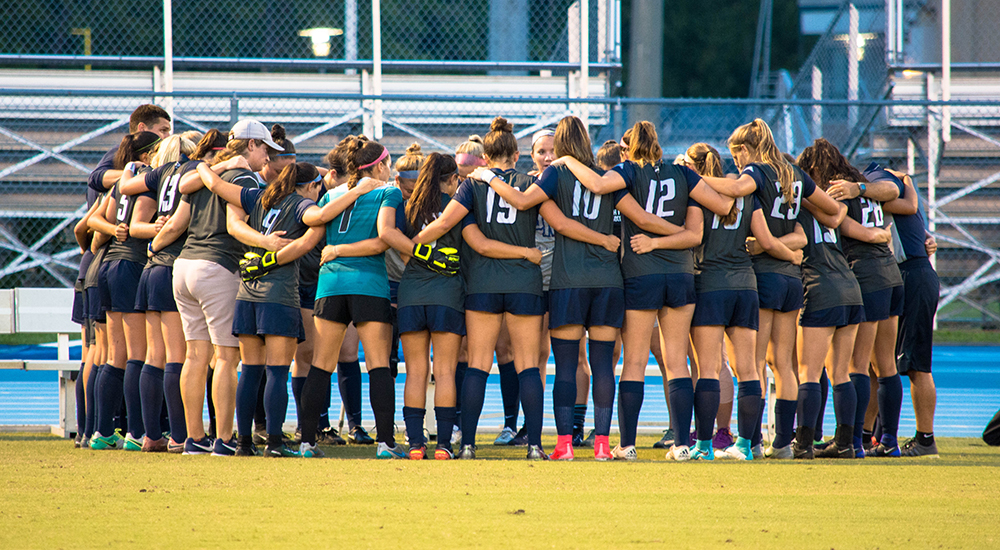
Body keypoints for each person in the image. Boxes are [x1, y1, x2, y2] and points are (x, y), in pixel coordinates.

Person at [554, 126, 733, 462]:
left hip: (641, 273)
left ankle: (628, 444)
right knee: (677, 360)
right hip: (681, 274)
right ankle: (682, 444)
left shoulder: (627, 171)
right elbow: (723, 206)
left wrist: (565, 159)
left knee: (634, 361)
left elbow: (596, 183)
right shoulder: (682, 173)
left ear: (628, 148)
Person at [195, 160, 364, 457]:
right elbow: (321, 215)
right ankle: (274, 443)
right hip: (279, 295)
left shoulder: (259, 196)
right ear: (310, 186)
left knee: (249, 370)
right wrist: (359, 190)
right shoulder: (300, 205)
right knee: (276, 372)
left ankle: (244, 444)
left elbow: (215, 185)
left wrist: (203, 166)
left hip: (247, 295)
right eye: (318, 188)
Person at [415, 117, 548, 460]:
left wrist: (409, 243)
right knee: (528, 365)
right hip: (524, 281)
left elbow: (445, 223)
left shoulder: (472, 185)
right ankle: (534, 446)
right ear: (517, 154)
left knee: (477, 364)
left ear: (485, 157)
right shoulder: (530, 181)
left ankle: (468, 445)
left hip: (483, 283)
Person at [153, 119, 288, 455]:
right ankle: (224, 439)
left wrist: (153, 246)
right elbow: (234, 224)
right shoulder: (243, 177)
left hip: (183, 266)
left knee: (195, 356)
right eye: (265, 150)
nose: (267, 159)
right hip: (217, 267)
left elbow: (176, 226)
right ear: (252, 145)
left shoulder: (200, 177)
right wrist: (266, 243)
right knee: (226, 357)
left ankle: (193, 438)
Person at [297, 136, 416, 459]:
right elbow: (382, 241)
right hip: (369, 283)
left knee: (321, 364)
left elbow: (315, 236)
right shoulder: (388, 191)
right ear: (378, 166)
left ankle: (307, 442)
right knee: (378, 365)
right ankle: (386, 444)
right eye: (388, 164)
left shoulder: (332, 194)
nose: (390, 171)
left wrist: (334, 250)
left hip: (330, 284)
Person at [799, 140, 905, 459]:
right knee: (885, 364)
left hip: (865, 275)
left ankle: (854, 440)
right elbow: (895, 190)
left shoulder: (834, 190)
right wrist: (861, 189)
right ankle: (888, 439)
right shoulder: (863, 183)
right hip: (890, 275)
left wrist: (876, 234)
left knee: (854, 365)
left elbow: (842, 223)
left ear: (815, 168)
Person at [122, 130, 225, 453]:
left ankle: (148, 433)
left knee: (154, 356)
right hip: (174, 263)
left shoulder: (163, 173)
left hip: (152, 267)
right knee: (179, 358)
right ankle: (181, 435)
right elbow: (182, 221)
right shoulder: (193, 173)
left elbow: (126, 188)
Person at [792, 139, 869, 459]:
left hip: (820, 287)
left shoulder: (796, 206)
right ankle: (847, 442)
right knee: (842, 372)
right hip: (851, 288)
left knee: (809, 371)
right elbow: (838, 218)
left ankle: (804, 443)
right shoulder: (831, 203)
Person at [859, 162, 940, 458]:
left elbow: (902, 203)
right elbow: (920, 227)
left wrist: (860, 189)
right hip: (902, 276)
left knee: (916, 364)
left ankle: (925, 439)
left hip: (911, 276)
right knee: (878, 364)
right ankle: (868, 435)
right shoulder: (896, 195)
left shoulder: (875, 188)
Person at [86, 131, 161, 450]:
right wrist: (134, 229)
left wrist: (114, 228)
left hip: (108, 267)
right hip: (130, 265)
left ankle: (101, 432)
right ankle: (136, 433)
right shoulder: (147, 182)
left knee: (115, 354)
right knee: (137, 355)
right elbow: (138, 225)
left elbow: (93, 221)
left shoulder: (122, 181)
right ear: (147, 156)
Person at [396, 153, 465, 459]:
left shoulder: (407, 206)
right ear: (451, 179)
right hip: (447, 294)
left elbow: (400, 250)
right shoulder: (458, 205)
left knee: (415, 371)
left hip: (411, 293)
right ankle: (444, 446)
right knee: (446, 371)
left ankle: (414, 444)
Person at [88, 105, 172, 193]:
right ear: (142, 128)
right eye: (163, 130)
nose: (168, 136)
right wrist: (138, 174)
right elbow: (95, 178)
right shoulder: (119, 152)